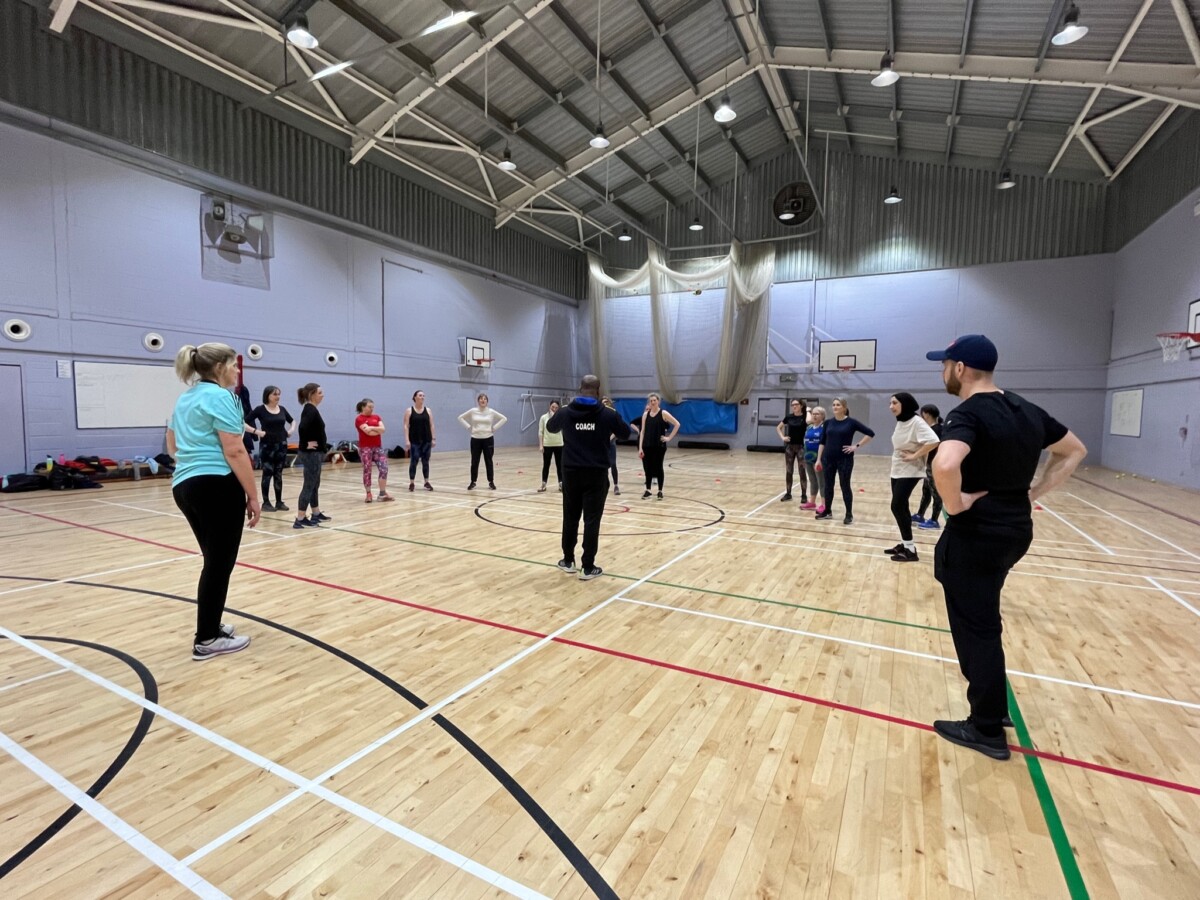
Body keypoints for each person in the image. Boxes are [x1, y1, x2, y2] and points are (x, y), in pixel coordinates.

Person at [926, 334, 1086, 760]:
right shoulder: (1026, 410)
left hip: (977, 534)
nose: (942, 372)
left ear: (959, 368)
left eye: (943, 365)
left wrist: (955, 504)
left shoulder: (968, 414)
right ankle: (994, 707)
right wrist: (1034, 492)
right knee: (985, 619)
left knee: (974, 627)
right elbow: (1074, 451)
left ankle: (985, 728)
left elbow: (945, 463)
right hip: (1015, 530)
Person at [166, 343, 258, 660]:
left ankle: (212, 627)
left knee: (214, 562)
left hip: (185, 485)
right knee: (219, 565)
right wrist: (253, 495)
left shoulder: (186, 397)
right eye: (234, 366)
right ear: (220, 367)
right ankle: (206, 639)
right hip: (216, 485)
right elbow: (234, 450)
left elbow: (171, 444)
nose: (237, 371)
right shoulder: (222, 397)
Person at [547, 375, 630, 579]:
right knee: (592, 520)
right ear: (598, 391)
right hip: (596, 474)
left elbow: (551, 427)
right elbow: (626, 433)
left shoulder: (565, 412)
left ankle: (568, 560)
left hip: (571, 473)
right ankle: (588, 566)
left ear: (579, 388)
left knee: (570, 517)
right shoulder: (608, 414)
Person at [883, 392, 940, 562]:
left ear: (905, 404)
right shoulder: (902, 421)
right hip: (898, 469)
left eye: (894, 403)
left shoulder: (916, 422)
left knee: (897, 506)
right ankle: (906, 544)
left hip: (911, 470)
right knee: (902, 507)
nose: (891, 406)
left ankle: (910, 551)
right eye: (890, 403)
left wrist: (915, 455)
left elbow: (934, 440)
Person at [815, 397, 874, 524]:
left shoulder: (851, 423)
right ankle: (827, 511)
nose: (835, 407)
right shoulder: (828, 423)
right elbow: (822, 441)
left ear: (844, 408)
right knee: (828, 486)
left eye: (838, 405)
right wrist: (818, 459)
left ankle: (848, 514)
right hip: (828, 459)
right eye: (834, 405)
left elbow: (870, 433)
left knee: (845, 486)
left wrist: (856, 446)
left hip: (845, 460)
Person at [246, 385, 294, 512]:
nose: (277, 397)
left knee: (278, 473)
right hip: (267, 446)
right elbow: (243, 423)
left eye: (279, 394)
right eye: (275, 394)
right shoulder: (260, 409)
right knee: (267, 473)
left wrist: (290, 430)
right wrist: (256, 431)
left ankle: (279, 502)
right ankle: (266, 503)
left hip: (281, 445)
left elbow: (292, 421)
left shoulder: (282, 409)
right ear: (267, 395)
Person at [293, 382, 330, 529]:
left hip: (316, 453)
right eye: (320, 393)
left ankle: (315, 513)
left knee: (315, 484)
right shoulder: (309, 410)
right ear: (312, 394)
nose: (322, 395)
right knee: (309, 485)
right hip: (311, 454)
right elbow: (302, 427)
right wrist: (304, 445)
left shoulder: (312, 409)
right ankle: (300, 518)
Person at [458, 393, 507, 489]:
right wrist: (468, 427)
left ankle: (491, 482)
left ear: (487, 401)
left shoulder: (491, 412)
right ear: (478, 401)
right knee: (474, 461)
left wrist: (495, 427)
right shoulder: (473, 411)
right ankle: (473, 481)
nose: (483, 400)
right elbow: (460, 418)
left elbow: (504, 419)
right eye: (481, 399)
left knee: (488, 461)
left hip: (488, 439)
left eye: (485, 399)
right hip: (475, 439)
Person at [638, 393, 680, 500]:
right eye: (651, 401)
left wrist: (668, 438)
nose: (652, 402)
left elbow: (677, 424)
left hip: (659, 446)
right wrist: (641, 447)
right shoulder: (645, 415)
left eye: (654, 400)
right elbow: (642, 431)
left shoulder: (663, 413)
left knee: (658, 467)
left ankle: (660, 491)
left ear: (658, 401)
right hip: (647, 445)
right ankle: (648, 490)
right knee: (648, 468)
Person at [355, 398, 392, 503]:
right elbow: (368, 433)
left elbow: (383, 429)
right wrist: (377, 429)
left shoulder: (377, 417)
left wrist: (371, 427)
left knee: (384, 467)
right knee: (367, 470)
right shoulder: (359, 419)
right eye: (369, 407)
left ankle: (382, 493)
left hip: (378, 447)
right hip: (365, 448)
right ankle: (368, 493)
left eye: (372, 407)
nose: (371, 409)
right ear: (363, 407)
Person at [915, 404, 945, 528]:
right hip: (929, 465)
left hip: (934, 465)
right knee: (926, 491)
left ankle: (934, 520)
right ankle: (920, 515)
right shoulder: (935, 429)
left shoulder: (936, 430)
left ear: (926, 414)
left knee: (936, 493)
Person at [775, 398, 809, 503]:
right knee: (789, 471)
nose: (794, 406)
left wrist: (808, 410)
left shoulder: (805, 417)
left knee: (802, 471)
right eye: (792, 404)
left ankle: (804, 495)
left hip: (801, 447)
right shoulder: (789, 417)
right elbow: (778, 427)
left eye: (796, 404)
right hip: (790, 447)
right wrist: (783, 437)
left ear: (801, 405)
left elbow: (811, 421)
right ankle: (788, 493)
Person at [603, 396, 637, 496]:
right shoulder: (599, 415)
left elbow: (616, 430)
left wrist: (609, 439)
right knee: (603, 466)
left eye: (606, 402)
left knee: (613, 463)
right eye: (603, 402)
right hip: (602, 445)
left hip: (611, 443)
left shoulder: (613, 414)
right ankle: (604, 485)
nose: (605, 404)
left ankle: (616, 485)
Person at [404, 390, 436, 492]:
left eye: (423, 396)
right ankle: (412, 482)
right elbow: (406, 426)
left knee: (425, 461)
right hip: (415, 440)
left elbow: (432, 425)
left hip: (427, 440)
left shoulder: (428, 410)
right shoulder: (409, 410)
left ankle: (426, 482)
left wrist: (433, 438)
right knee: (414, 460)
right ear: (415, 397)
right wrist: (407, 440)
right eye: (420, 395)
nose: (422, 397)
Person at [802, 407, 826, 511]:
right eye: (813, 414)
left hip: (819, 460)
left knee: (822, 482)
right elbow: (805, 442)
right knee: (812, 481)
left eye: (817, 414)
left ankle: (824, 504)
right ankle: (812, 502)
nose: (815, 415)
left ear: (822, 416)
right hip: (808, 458)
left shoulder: (824, 428)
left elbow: (825, 444)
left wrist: (819, 459)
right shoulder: (809, 428)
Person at [538, 400, 563, 493]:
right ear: (549, 406)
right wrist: (541, 445)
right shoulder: (543, 417)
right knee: (546, 465)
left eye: (556, 408)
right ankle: (543, 484)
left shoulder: (561, 418)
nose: (554, 409)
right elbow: (541, 432)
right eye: (553, 407)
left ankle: (561, 483)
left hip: (559, 444)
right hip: (547, 444)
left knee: (560, 465)